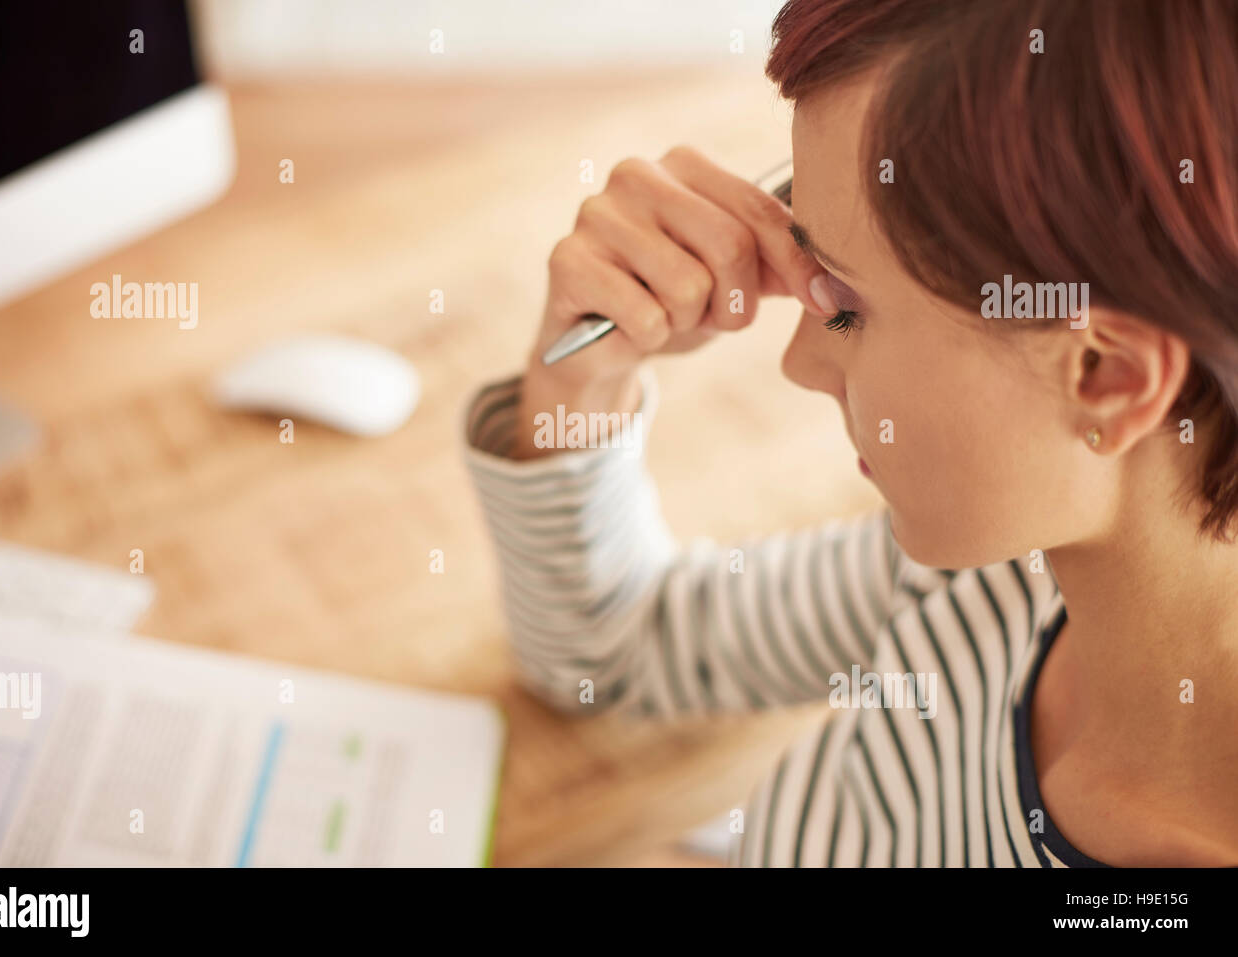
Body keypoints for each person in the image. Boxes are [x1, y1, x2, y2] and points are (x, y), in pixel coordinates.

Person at [461, 0, 1238, 866]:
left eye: (845, 307)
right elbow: (604, 647)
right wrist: (581, 378)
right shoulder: (1003, 572)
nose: (799, 362)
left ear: (1107, 376)